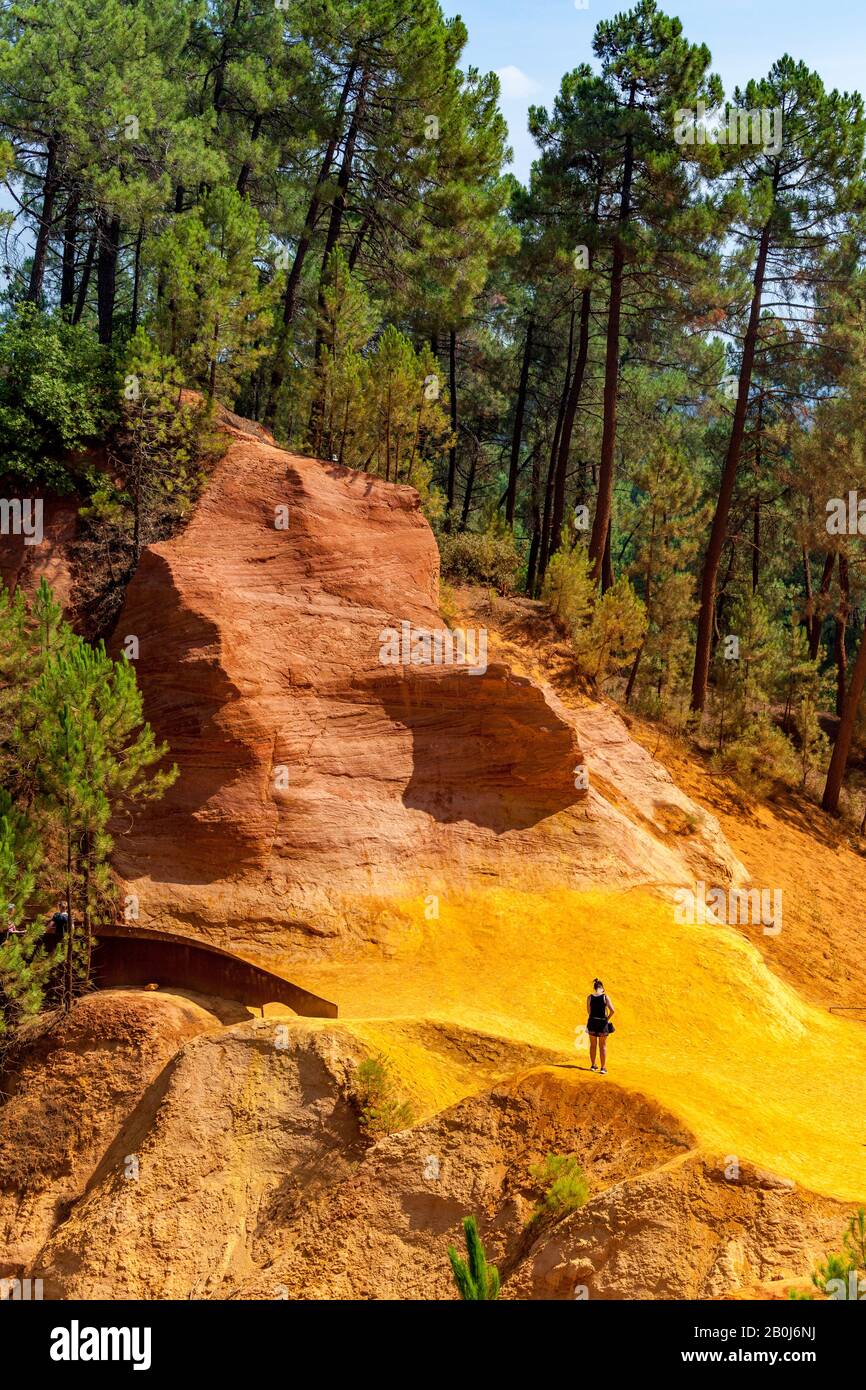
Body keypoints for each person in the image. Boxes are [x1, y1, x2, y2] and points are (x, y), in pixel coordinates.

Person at [586, 977, 615, 1074]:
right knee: (603, 1046)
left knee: (592, 1045)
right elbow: (612, 1010)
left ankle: (593, 1066)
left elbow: (589, 1012)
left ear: (595, 988)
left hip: (592, 1023)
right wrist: (607, 1019)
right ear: (602, 988)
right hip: (602, 1023)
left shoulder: (589, 997)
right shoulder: (605, 997)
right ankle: (603, 1068)